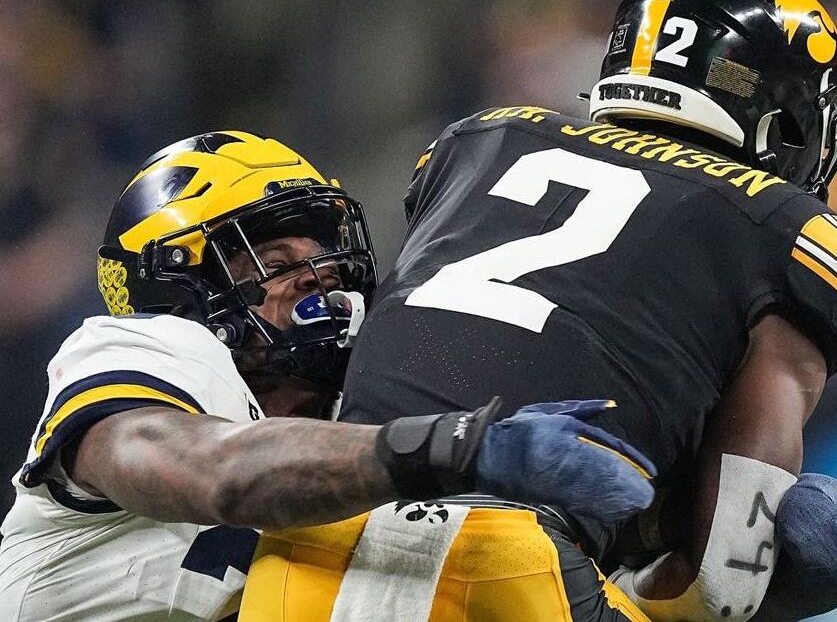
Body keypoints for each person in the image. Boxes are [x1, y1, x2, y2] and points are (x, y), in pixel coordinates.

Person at [241, 0, 837, 620]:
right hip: (513, 568)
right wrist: (623, 579)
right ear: (785, 112)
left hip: (309, 540)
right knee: (813, 534)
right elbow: (726, 582)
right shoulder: (788, 229)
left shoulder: (476, 139)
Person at [0, 131, 656, 621]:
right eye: (276, 256)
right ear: (180, 288)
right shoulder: (148, 350)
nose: (321, 273)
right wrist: (456, 446)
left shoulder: (362, 408)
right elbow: (215, 471)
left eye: (326, 251)